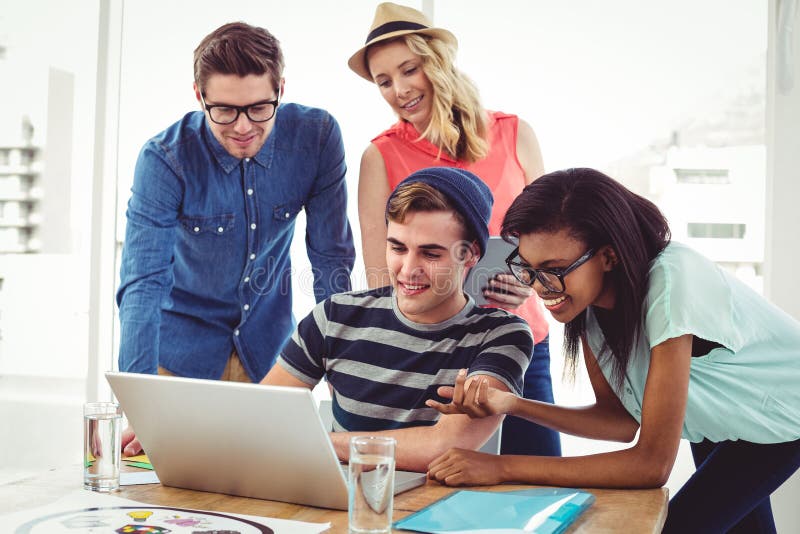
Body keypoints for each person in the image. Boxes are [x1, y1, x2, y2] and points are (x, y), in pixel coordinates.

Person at [426, 168, 800, 533]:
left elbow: (650, 464)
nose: (539, 287)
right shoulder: (586, 307)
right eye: (528, 268)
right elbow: (619, 422)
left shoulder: (672, 281)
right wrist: (513, 405)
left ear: (608, 256)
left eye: (554, 268)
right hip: (725, 421)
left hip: (786, 407)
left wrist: (500, 467)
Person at [117, 22, 354, 454]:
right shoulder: (164, 159)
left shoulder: (316, 139)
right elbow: (142, 284)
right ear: (199, 96)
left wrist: (344, 370)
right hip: (177, 365)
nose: (243, 126)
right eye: (224, 110)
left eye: (260, 107)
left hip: (272, 363)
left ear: (280, 88)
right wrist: (140, 402)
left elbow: (330, 261)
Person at [349, 1, 560, 457]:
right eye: (384, 81)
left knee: (542, 489)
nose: (399, 90)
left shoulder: (515, 133)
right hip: (433, 356)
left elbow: (552, 243)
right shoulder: (379, 157)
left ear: (437, 63)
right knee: (443, 495)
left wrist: (526, 279)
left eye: (409, 69)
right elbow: (379, 276)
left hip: (520, 341)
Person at [261, 167, 533, 472]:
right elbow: (262, 416)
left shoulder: (501, 335)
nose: (407, 269)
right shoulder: (335, 316)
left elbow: (441, 446)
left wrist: (319, 443)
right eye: (397, 247)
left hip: (433, 512)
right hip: (341, 506)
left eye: (430, 254)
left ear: (470, 254)